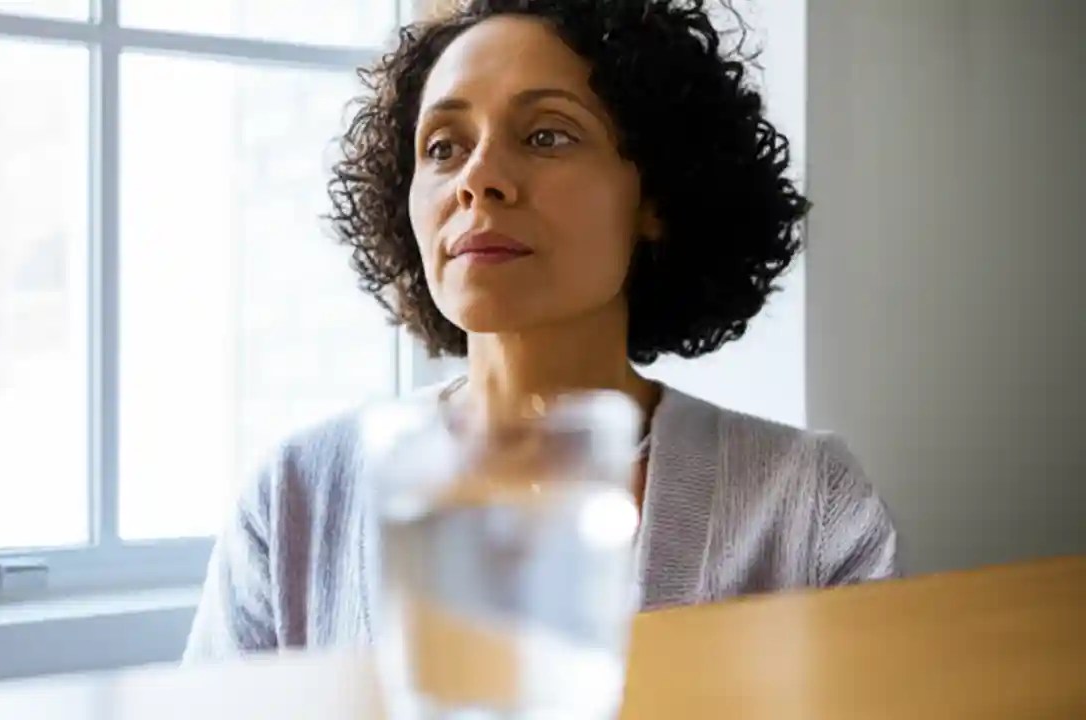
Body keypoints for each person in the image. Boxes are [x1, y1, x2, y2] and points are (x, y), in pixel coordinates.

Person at [184, 0, 897, 662]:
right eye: (442, 146)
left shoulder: (807, 504)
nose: (479, 178)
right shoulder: (295, 500)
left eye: (547, 135)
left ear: (656, 198)